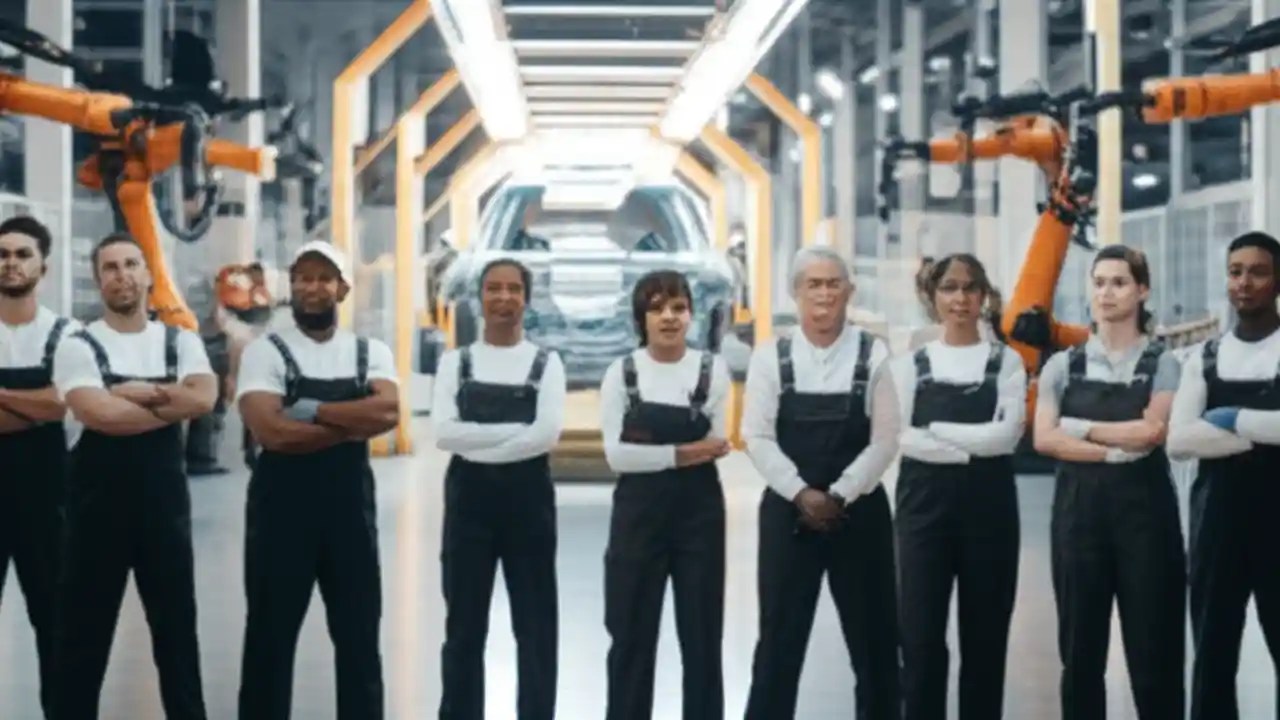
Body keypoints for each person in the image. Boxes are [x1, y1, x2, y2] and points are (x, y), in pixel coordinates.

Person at [51, 232, 215, 720]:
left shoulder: (181, 340)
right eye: (110, 267)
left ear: (147, 275)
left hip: (164, 516)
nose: (121, 275)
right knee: (81, 641)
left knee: (178, 636)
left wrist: (131, 392)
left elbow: (204, 399)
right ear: (98, 280)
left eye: (130, 265)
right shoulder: (77, 344)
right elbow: (100, 415)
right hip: (94, 517)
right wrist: (169, 400)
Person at [236, 240, 400, 719]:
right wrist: (351, 425)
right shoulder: (264, 352)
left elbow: (389, 411)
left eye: (324, 278)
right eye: (303, 278)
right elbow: (271, 431)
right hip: (280, 515)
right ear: (291, 286)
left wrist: (311, 410)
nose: (313, 287)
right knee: (269, 637)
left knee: (359, 637)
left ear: (342, 288)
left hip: (349, 516)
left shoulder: (370, 352)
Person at [741, 246, 902, 720]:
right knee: (778, 643)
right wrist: (801, 493)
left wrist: (840, 493)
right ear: (796, 292)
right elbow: (756, 436)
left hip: (861, 513)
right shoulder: (770, 358)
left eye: (834, 284)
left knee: (876, 644)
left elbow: (886, 438)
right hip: (788, 513)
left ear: (849, 291)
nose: (825, 294)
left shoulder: (875, 355)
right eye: (814, 284)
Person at [1032, 244, 1185, 720]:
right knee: (1080, 656)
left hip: (1147, 520)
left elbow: (1152, 431)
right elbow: (1044, 438)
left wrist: (1078, 428)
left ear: (1142, 290)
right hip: (1078, 519)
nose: (1106, 292)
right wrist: (1112, 450)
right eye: (1098, 282)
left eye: (1119, 282)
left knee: (1155, 655)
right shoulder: (1062, 366)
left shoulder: (1163, 362)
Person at [891, 254, 1026, 720]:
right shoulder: (910, 365)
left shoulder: (1006, 362)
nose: (960, 298)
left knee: (986, 639)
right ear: (933, 296)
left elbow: (1005, 438)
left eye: (970, 288)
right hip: (922, 508)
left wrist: (937, 432)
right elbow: (900, 438)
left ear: (983, 296)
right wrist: (973, 443)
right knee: (920, 638)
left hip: (990, 510)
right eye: (949, 288)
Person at [432, 258, 566, 720]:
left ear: (526, 298)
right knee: (464, 627)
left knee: (536, 626)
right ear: (480, 297)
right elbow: (444, 433)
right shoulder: (455, 362)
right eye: (494, 288)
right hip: (468, 504)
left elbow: (545, 435)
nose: (503, 297)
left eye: (513, 289)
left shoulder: (547, 364)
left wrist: (478, 440)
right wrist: (514, 434)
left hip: (528, 504)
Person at [599, 269, 731, 720]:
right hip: (637, 518)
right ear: (641, 318)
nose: (669, 317)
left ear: (691, 314)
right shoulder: (622, 373)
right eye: (656, 308)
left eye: (679, 307)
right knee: (630, 636)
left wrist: (654, 454)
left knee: (702, 637)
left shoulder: (712, 370)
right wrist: (683, 453)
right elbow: (617, 456)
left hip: (700, 516)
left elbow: (718, 444)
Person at [1166, 231, 1280, 720]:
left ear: (1277, 281)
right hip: (1217, 521)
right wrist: (1263, 432)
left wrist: (1232, 420)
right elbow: (1179, 440)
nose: (1244, 283)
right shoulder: (1205, 358)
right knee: (1212, 655)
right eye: (1236, 272)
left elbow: (1200, 432)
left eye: (1258, 272)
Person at [0, 215, 79, 717]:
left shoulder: (67, 335)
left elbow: (66, 405)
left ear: (43, 268)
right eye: (3, 254)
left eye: (22, 254)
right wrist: (38, 403)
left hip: (48, 502)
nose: (11, 263)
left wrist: (5, 397)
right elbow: (49, 403)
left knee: (55, 622)